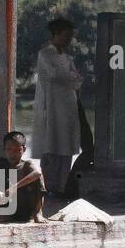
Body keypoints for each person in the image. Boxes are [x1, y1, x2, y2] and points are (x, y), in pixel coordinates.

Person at [31, 18, 82, 197]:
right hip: (50, 107)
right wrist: (71, 76)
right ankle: (48, 187)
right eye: (66, 35)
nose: (68, 40)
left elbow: (77, 80)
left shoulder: (67, 57)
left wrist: (70, 77)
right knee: (50, 146)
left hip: (68, 107)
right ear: (55, 35)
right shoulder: (45, 54)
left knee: (66, 147)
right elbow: (56, 75)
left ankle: (61, 188)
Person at [0, 131, 46, 223]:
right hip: (1, 207)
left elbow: (37, 173)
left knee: (36, 177)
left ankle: (37, 213)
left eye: (17, 150)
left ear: (24, 149)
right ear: (4, 149)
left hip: (23, 209)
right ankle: (4, 215)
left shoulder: (27, 165)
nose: (13, 153)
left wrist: (15, 187)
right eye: (9, 149)